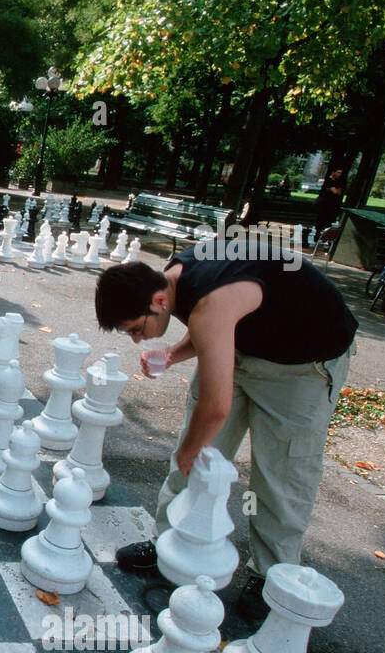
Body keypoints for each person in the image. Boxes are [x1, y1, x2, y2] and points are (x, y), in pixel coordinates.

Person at [95, 239, 358, 622]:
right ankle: (169, 542)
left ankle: (272, 574)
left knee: (282, 475)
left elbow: (216, 405)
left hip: (303, 365)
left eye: (136, 329)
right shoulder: (174, 278)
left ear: (159, 301)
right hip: (246, 345)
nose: (137, 339)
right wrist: (172, 356)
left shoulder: (211, 302)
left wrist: (187, 452)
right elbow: (210, 329)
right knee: (199, 457)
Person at [313, 167, 346, 233]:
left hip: (332, 205)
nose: (339, 174)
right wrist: (336, 190)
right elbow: (335, 192)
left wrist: (336, 190)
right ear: (333, 172)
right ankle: (318, 232)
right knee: (322, 219)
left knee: (329, 220)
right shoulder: (329, 181)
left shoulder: (337, 182)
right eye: (338, 172)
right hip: (325, 204)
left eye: (340, 173)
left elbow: (339, 192)